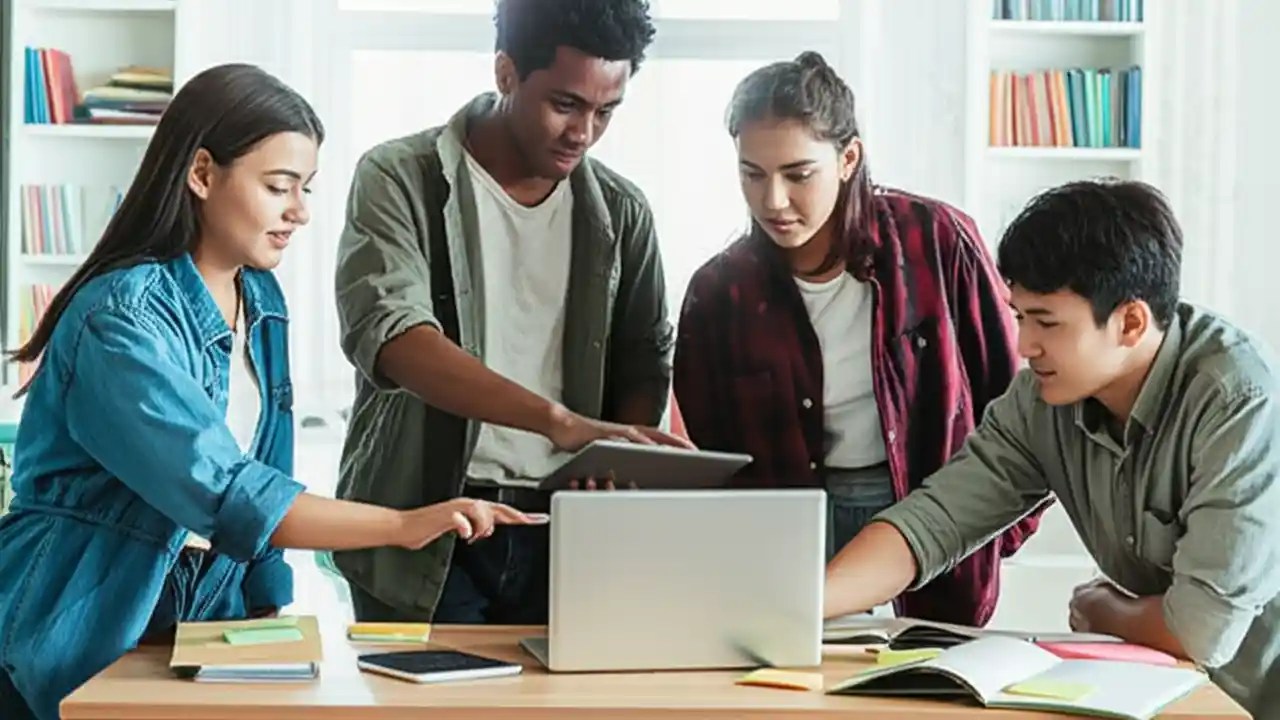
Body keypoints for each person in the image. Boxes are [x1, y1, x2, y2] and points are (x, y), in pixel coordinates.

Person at [0, 64, 542, 720]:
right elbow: (227, 491)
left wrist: (267, 605)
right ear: (202, 174)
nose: (299, 212)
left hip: (202, 617)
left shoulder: (260, 297)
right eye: (279, 186)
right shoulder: (120, 318)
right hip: (78, 618)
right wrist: (404, 526)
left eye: (305, 189)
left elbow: (269, 468)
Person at [824, 178, 1280, 717]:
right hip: (1162, 691)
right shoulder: (1042, 400)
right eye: (1020, 316)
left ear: (1131, 322)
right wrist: (803, 607)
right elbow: (932, 523)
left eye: (1046, 322)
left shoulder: (1237, 400)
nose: (1024, 345)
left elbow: (1203, 631)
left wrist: (1103, 607)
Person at [332, 0, 689, 626]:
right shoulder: (399, 177)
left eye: (606, 111)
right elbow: (394, 338)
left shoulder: (624, 211)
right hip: (428, 525)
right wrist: (557, 422)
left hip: (565, 531)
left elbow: (644, 361)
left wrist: (614, 461)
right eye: (565, 104)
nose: (584, 132)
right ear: (506, 72)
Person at [673, 51, 1041, 626]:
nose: (773, 200)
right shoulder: (720, 293)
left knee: (923, 676)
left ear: (848, 158)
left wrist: (995, 536)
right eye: (753, 174)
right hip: (788, 532)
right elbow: (714, 455)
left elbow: (1020, 404)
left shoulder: (938, 241)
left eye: (798, 174)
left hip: (931, 518)